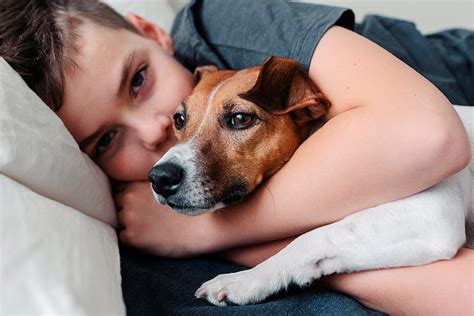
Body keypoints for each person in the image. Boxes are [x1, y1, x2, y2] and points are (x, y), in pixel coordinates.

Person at [1, 0, 472, 314]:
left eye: (138, 80)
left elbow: (433, 195)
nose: (156, 131)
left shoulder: (227, 25)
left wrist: (212, 236)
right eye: (105, 140)